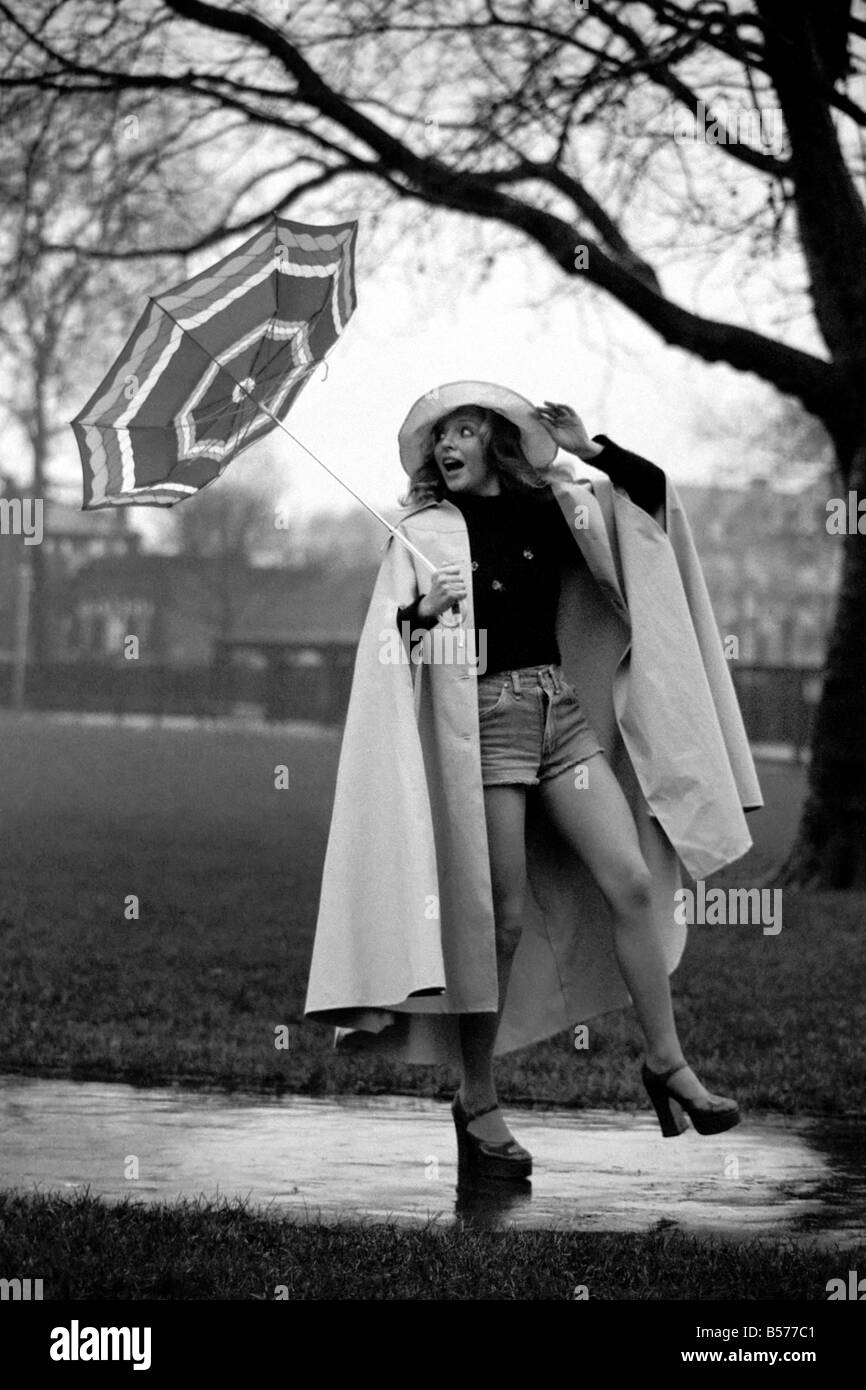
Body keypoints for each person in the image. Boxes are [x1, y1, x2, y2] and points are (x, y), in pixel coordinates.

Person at [304, 381, 762, 1186]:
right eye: (439, 436)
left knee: (630, 884)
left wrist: (593, 451)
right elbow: (388, 654)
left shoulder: (554, 505)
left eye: (466, 429)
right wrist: (422, 618)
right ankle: (476, 1099)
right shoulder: (418, 534)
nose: (448, 445)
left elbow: (651, 509)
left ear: (496, 441)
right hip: (482, 730)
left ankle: (667, 1064)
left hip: (559, 713)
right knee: (499, 921)